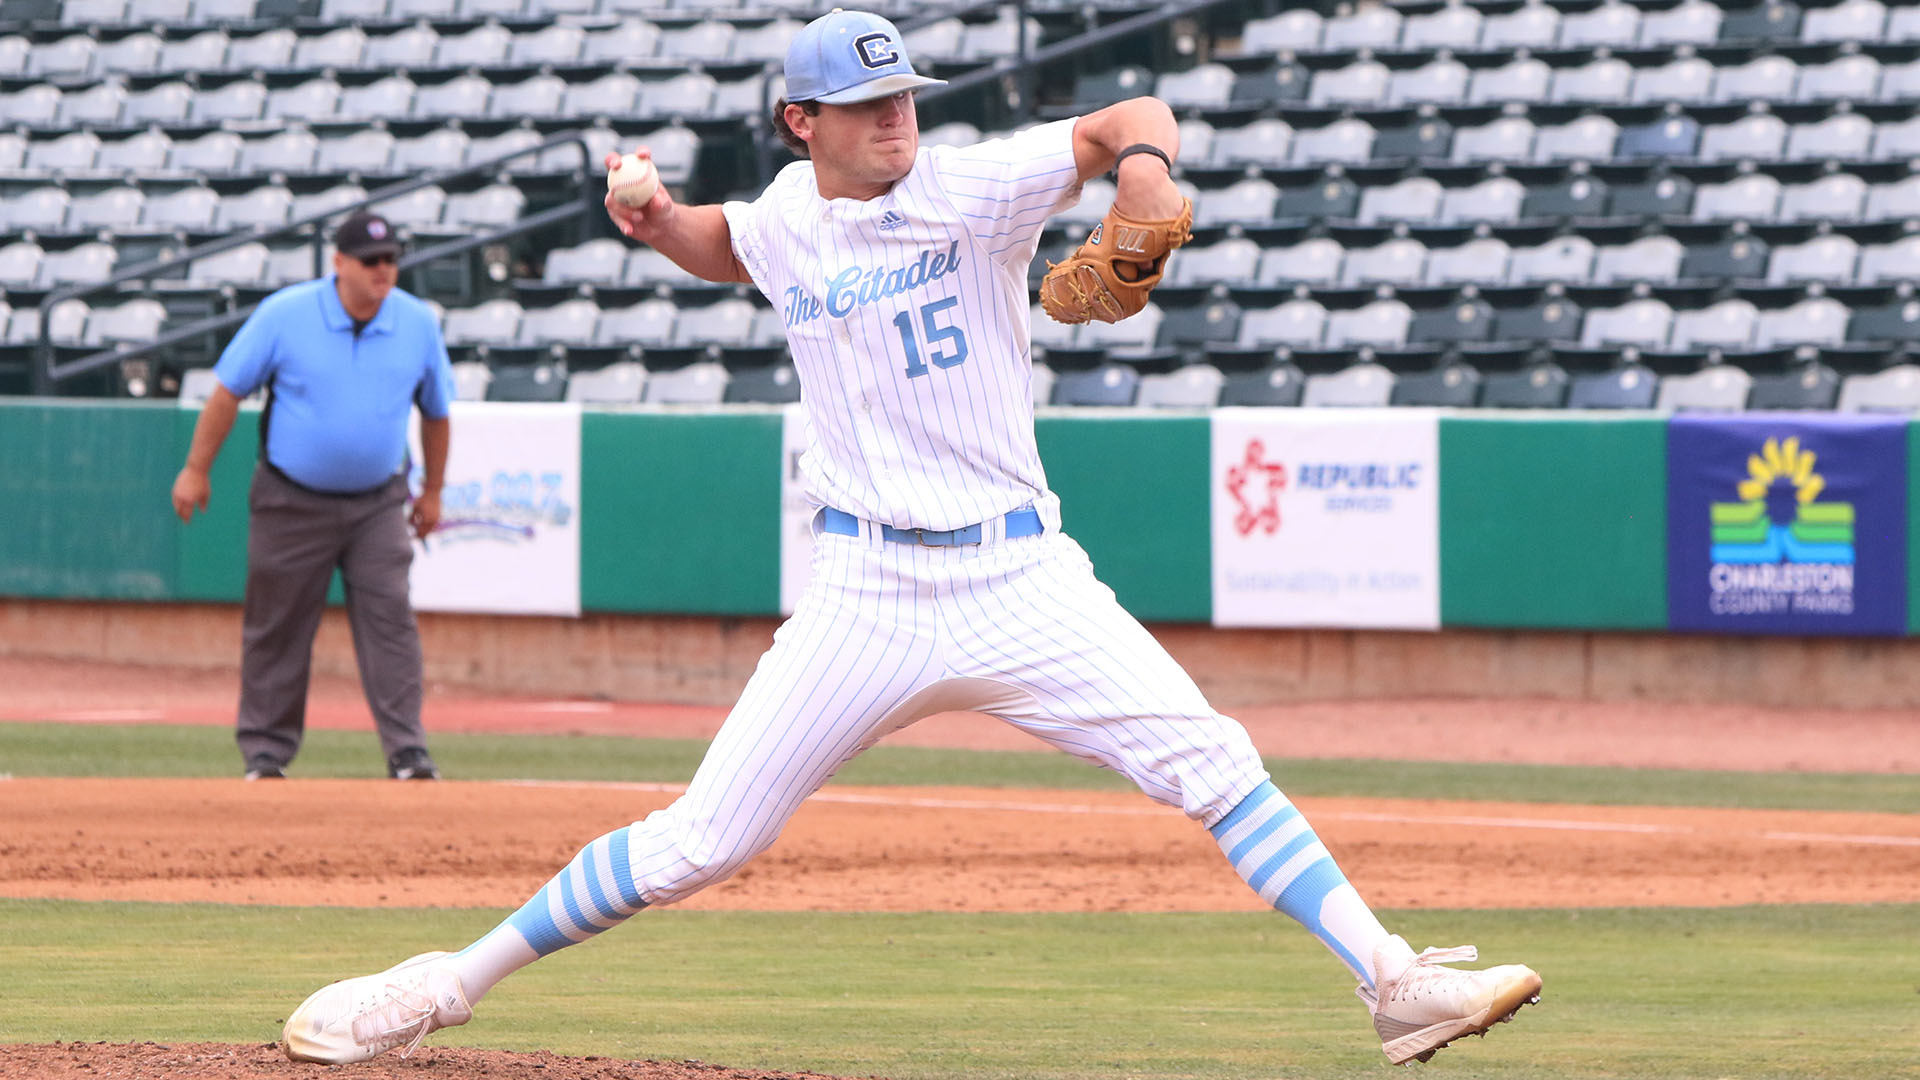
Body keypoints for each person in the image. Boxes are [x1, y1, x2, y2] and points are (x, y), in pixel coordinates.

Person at [279, 11, 1541, 1068]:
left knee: (1214, 762)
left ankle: (1388, 978)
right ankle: (444, 984)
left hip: (1021, 574)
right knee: (699, 841)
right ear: (801, 124)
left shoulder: (971, 185)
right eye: (869, 105)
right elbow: (731, 245)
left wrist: (1145, 175)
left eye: (905, 97)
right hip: (866, 589)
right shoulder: (787, 212)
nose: (899, 120)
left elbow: (1123, 120)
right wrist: (655, 213)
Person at [171, 210, 454, 784]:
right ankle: (266, 755)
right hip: (290, 499)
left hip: (378, 500)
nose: (383, 270)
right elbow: (227, 391)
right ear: (339, 263)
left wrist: (434, 492)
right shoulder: (286, 313)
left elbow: (437, 411)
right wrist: (195, 469)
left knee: (390, 621)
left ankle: (407, 752)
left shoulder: (417, 323)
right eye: (371, 260)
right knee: (277, 624)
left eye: (391, 259)